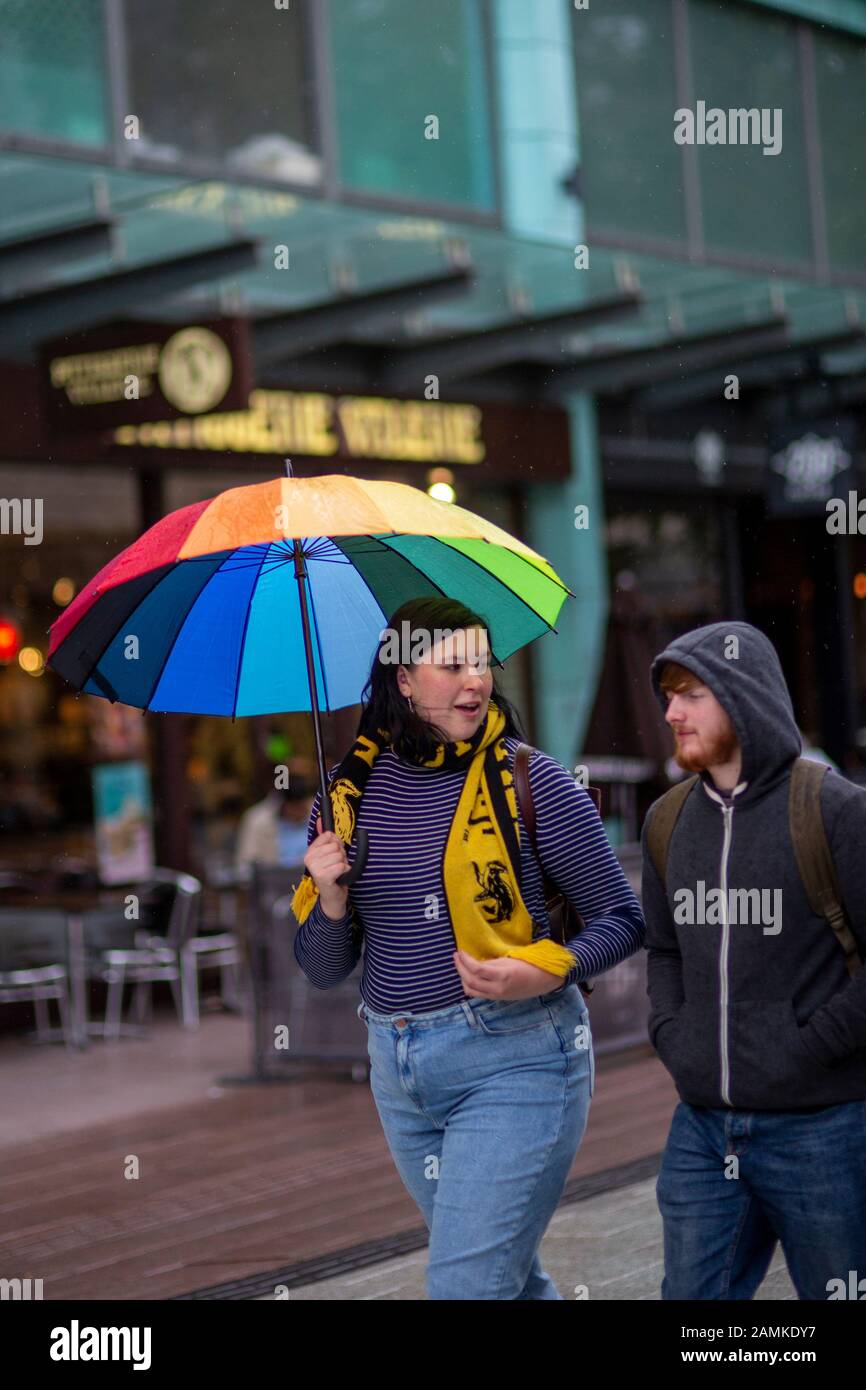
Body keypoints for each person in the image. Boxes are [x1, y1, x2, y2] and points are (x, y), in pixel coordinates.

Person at [292, 596, 644, 1300]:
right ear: (404, 679)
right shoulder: (346, 800)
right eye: (452, 664)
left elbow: (624, 917)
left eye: (482, 662)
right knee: (503, 1281)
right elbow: (324, 969)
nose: (475, 681)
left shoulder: (530, 780)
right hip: (397, 1071)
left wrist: (544, 970)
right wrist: (329, 898)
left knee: (466, 1284)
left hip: (517, 1059)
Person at [642, 620, 866, 1301]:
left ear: (745, 698)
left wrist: (809, 1048)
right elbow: (663, 949)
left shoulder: (835, 811)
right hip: (703, 1128)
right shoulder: (666, 820)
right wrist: (674, 1037)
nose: (672, 712)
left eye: (691, 695)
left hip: (823, 1127)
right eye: (668, 698)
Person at [235, 782, 314, 879]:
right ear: (282, 804)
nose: (297, 812)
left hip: (312, 880)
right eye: (293, 807)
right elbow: (245, 865)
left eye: (300, 807)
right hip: (273, 884)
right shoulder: (257, 821)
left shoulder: (319, 813)